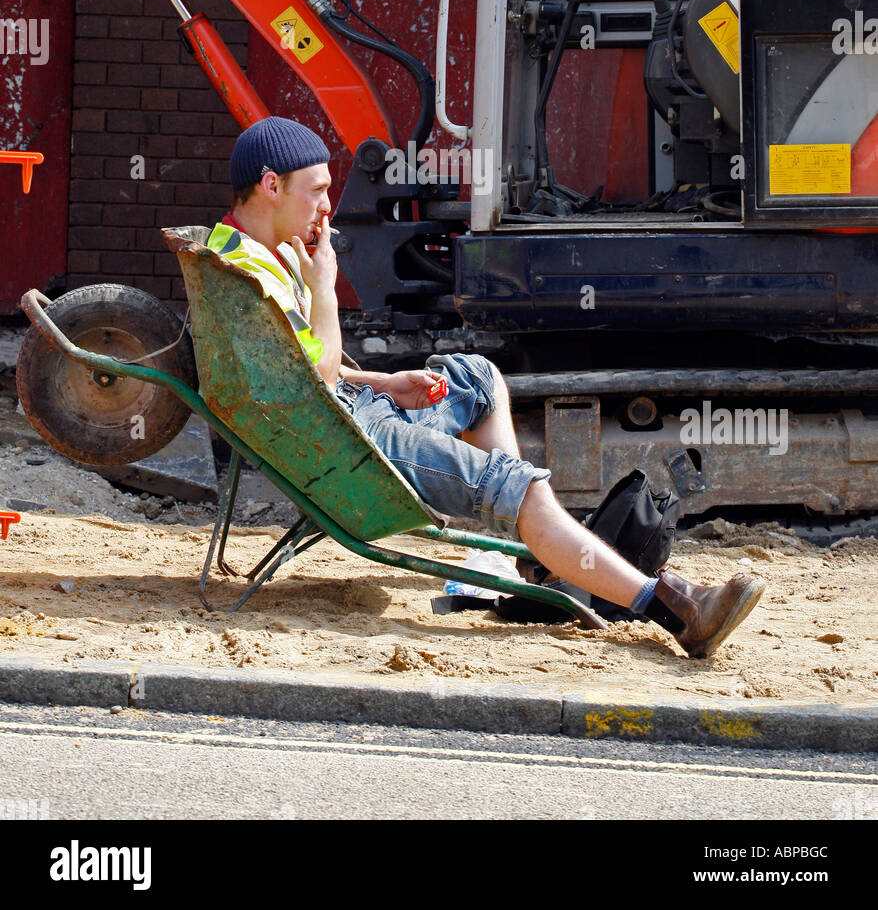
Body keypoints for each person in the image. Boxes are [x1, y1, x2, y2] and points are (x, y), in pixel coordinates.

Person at [207, 116, 765, 659]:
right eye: (319, 190)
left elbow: (296, 372)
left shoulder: (251, 254)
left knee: (478, 376)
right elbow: (318, 380)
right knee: (522, 486)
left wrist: (385, 380)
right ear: (271, 185)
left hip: (346, 415)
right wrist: (325, 290)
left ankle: (533, 559)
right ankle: (672, 608)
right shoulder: (248, 277)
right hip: (347, 442)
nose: (329, 207)